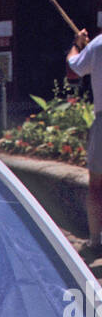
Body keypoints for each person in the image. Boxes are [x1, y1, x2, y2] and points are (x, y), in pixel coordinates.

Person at [67, 27, 102, 259]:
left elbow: (73, 70)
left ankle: (95, 240)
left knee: (97, 186)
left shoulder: (98, 45)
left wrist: (78, 45)